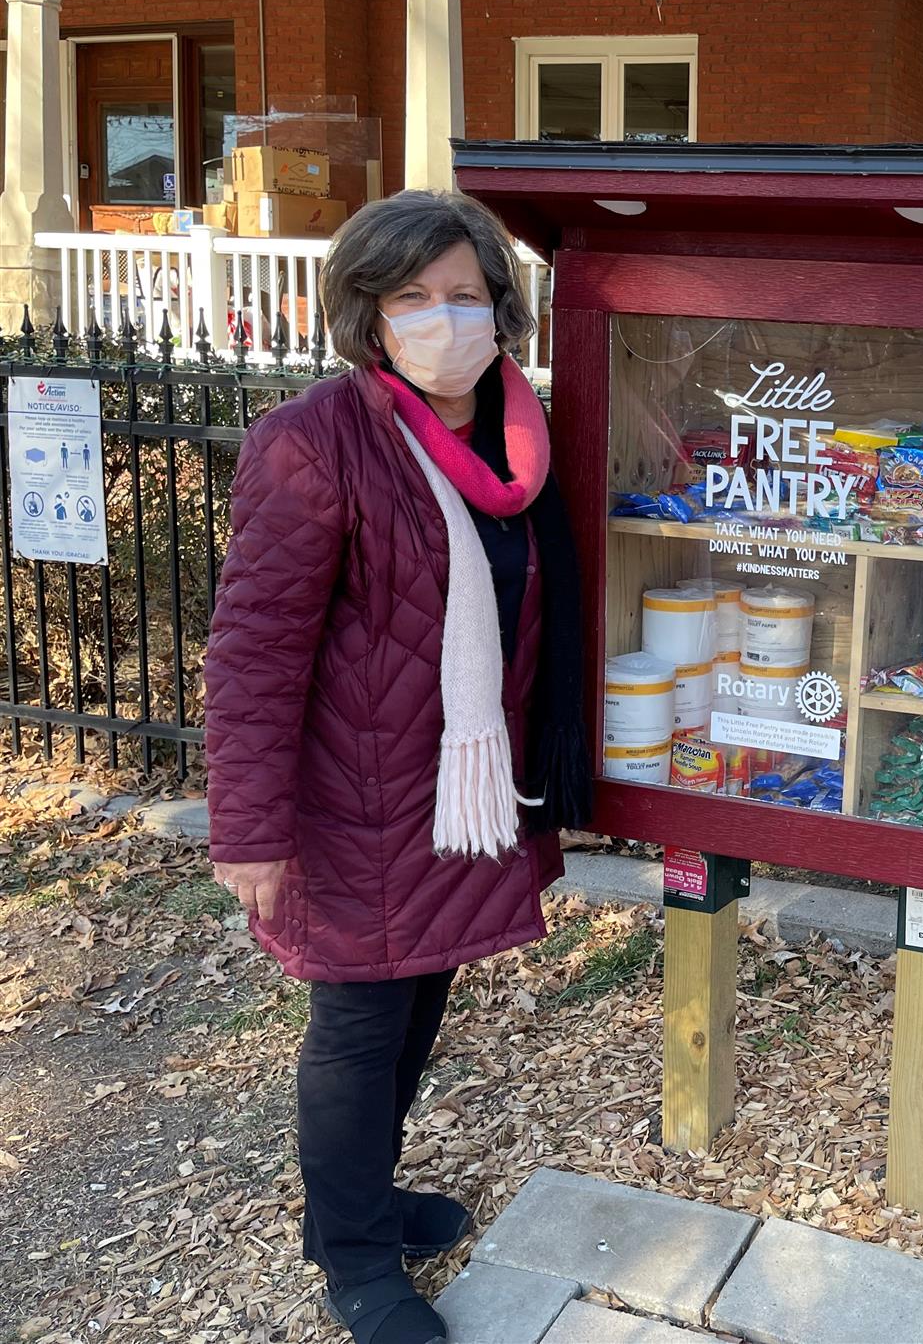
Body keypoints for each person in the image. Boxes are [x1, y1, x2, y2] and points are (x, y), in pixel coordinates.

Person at [204, 191, 590, 1344]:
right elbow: (255, 648)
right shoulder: (313, 442)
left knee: (421, 999)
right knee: (363, 1028)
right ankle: (357, 1263)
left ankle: (354, 1208)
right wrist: (251, 829)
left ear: (500, 309)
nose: (439, 319)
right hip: (353, 794)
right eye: (410, 298)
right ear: (366, 316)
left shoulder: (519, 438)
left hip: (461, 794)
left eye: (462, 294)